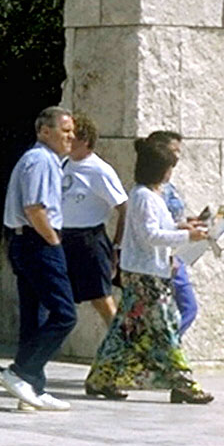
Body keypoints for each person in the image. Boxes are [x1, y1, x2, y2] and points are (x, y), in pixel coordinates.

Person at [83, 138, 212, 403]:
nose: (170, 173)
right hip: (146, 275)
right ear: (160, 169)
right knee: (166, 327)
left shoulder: (151, 196)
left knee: (125, 329)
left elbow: (158, 228)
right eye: (169, 167)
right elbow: (150, 235)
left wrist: (182, 228)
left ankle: (101, 378)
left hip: (147, 271)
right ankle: (184, 383)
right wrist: (188, 237)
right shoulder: (143, 197)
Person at [0, 106, 76, 411]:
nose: (71, 137)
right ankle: (21, 372)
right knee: (64, 314)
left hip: (27, 241)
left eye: (72, 131)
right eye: (65, 131)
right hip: (37, 242)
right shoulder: (41, 160)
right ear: (44, 131)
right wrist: (53, 241)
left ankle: (31, 387)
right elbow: (35, 208)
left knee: (35, 317)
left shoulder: (43, 160)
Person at [60, 114, 127, 325]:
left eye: (72, 136)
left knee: (101, 299)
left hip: (89, 240)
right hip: (63, 238)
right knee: (59, 299)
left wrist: (116, 245)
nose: (67, 140)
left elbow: (124, 208)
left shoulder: (100, 170)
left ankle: (120, 342)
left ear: (85, 140)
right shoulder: (63, 165)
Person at [145, 129, 200, 336]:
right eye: (173, 151)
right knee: (186, 308)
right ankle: (166, 345)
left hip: (176, 254)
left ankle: (166, 345)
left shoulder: (168, 186)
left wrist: (187, 223)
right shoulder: (149, 192)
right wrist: (186, 234)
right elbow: (152, 231)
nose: (176, 156)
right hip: (165, 257)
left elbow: (169, 222)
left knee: (184, 309)